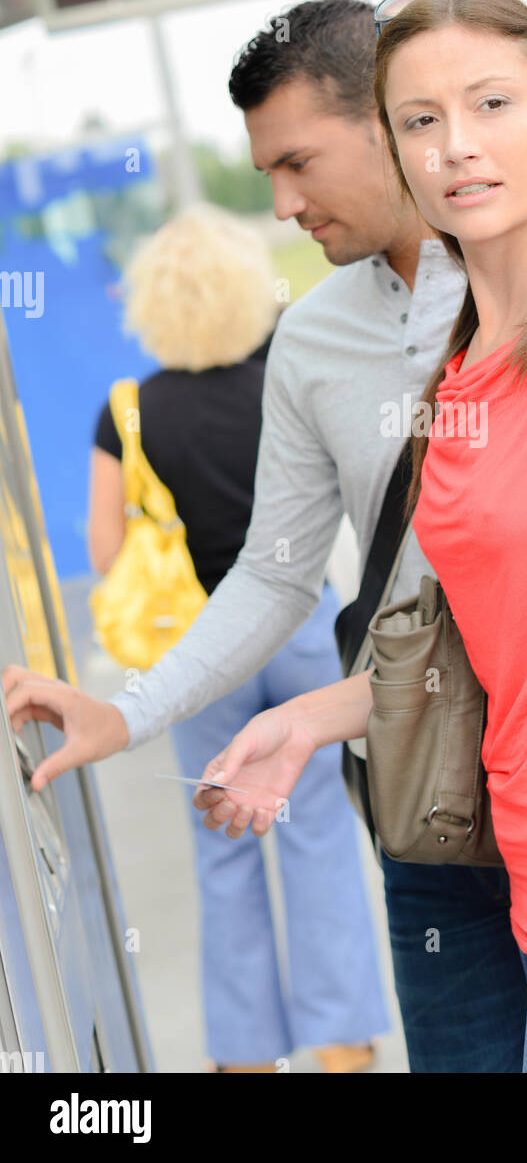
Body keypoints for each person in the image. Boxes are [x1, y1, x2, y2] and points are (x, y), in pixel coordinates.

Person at [2, 0, 527, 1074]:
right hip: (450, 814)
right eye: (428, 118)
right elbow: (366, 600)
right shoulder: (418, 354)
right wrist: (221, 714)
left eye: (298, 163)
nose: (282, 203)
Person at [87, 204, 389, 1073]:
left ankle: (246, 1055)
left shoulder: (128, 413)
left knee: (222, 846)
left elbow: (106, 552)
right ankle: (342, 1039)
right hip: (302, 633)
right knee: (318, 834)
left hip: (198, 654)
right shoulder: (282, 383)